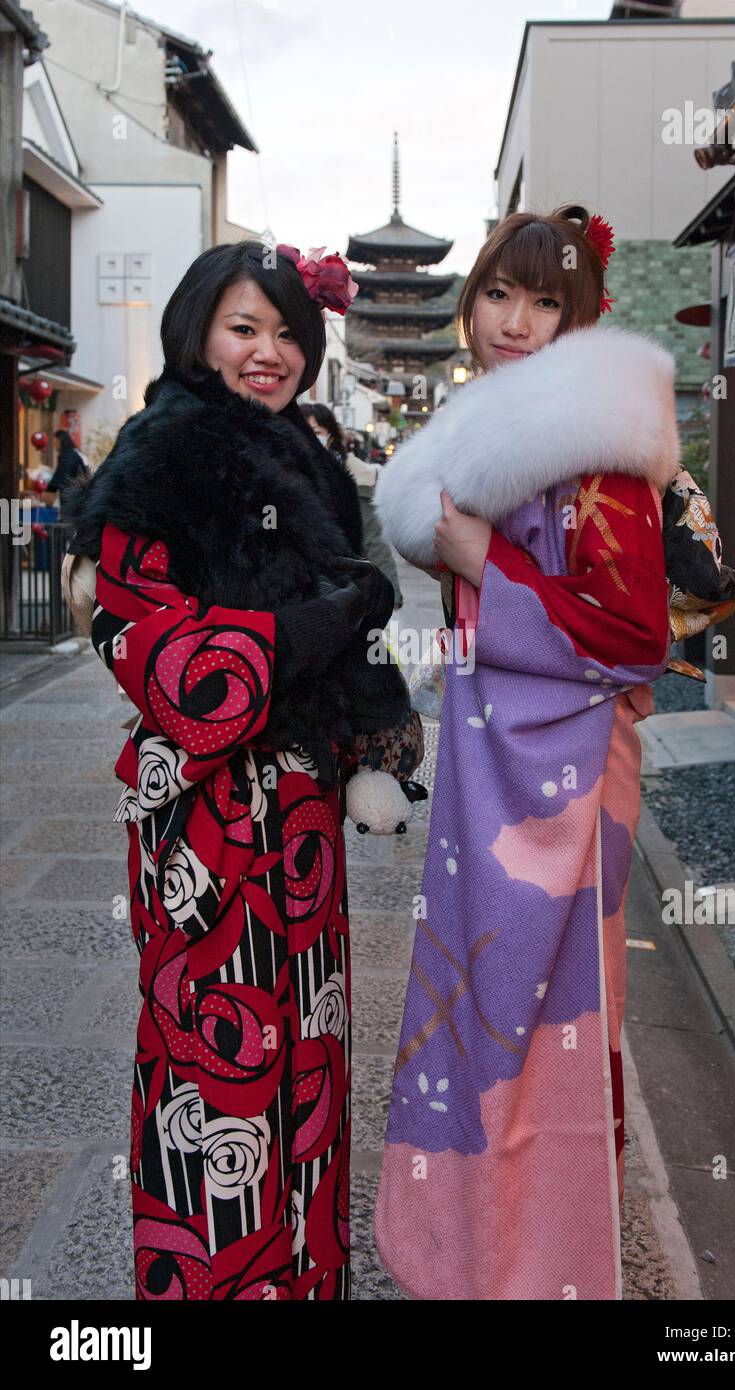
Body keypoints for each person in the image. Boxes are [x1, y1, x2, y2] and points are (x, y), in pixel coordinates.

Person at [62, 239, 411, 1301]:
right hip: (207, 818)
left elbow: (352, 633)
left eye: (287, 335)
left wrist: (367, 709)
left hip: (297, 813)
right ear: (195, 334)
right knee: (216, 1061)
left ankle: (307, 1278)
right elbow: (161, 659)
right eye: (242, 329)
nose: (269, 353)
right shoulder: (155, 455)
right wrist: (323, 621)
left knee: (307, 1051)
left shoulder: (303, 453)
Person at [372, 205, 680, 1300]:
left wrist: (480, 561)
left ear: (581, 316)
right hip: (489, 763)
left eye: (546, 300)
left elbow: (631, 631)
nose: (515, 321)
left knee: (540, 1020)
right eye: (498, 293)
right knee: (479, 1009)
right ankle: (466, 1248)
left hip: (563, 775)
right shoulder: (498, 434)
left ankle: (537, 1267)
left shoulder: (594, 443)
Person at [301, 402, 403, 608]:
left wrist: (392, 592)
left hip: (345, 591)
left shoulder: (357, 478)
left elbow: (374, 542)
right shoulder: (280, 472)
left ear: (329, 436)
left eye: (315, 432)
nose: (307, 439)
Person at [47, 429, 89, 501]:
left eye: (55, 442)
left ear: (60, 441)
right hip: (79, 494)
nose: (54, 446)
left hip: (72, 497)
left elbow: (61, 476)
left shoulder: (68, 457)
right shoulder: (74, 453)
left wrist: (49, 490)